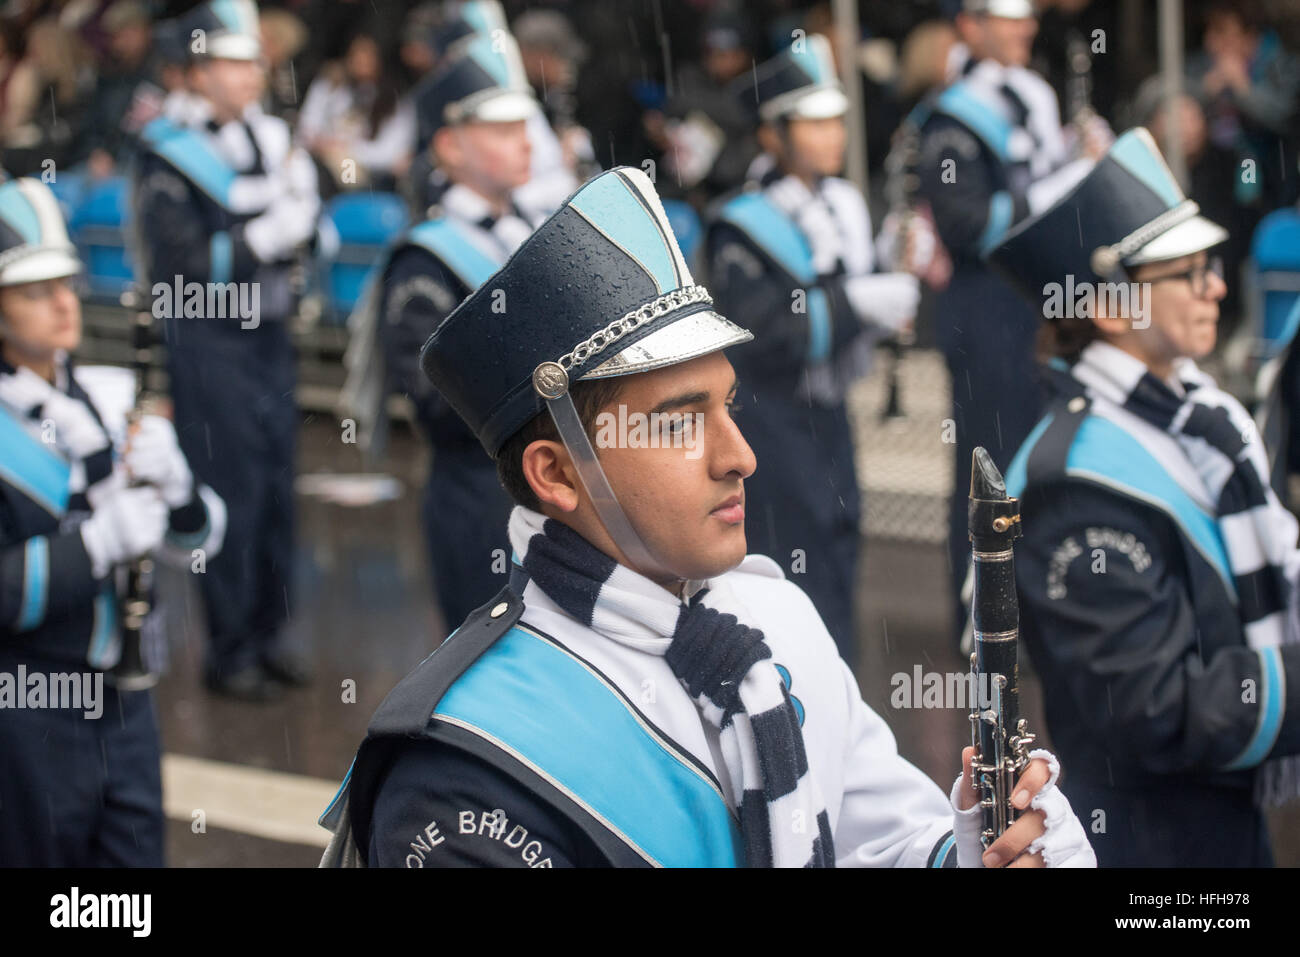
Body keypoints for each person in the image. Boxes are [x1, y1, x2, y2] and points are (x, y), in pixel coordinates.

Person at [319, 165, 1096, 869]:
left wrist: (983, 854)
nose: (741, 456)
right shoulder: (465, 765)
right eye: (678, 421)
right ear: (555, 473)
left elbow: (887, 840)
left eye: (727, 404)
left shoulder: (774, 612)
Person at [989, 128, 1300, 866]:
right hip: (1150, 846)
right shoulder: (1072, 478)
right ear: (1108, 307)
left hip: (1224, 818)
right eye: (1187, 272)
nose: (1217, 286)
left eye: (1212, 266)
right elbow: (1155, 706)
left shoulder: (1201, 419)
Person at [0, 177, 225, 865]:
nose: (65, 303)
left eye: (66, 282)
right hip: (28, 704)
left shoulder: (104, 394)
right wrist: (96, 542)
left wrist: (180, 489)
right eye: (36, 291)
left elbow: (196, 543)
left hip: (125, 699)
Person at [705, 35, 919, 662]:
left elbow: (850, 293)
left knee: (842, 543)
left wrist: (896, 267)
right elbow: (768, 336)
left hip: (832, 414)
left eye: (837, 119)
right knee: (793, 563)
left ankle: (841, 693)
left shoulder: (846, 202)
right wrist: (861, 303)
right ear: (772, 135)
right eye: (814, 120)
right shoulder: (739, 224)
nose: (834, 133)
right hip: (771, 421)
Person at [132, 0, 320, 701]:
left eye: (252, 61)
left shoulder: (272, 139)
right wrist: (264, 236)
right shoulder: (166, 149)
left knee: (276, 484)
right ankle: (230, 647)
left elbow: (300, 234)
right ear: (197, 72)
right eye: (232, 62)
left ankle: (270, 633)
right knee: (230, 485)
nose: (249, 74)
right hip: (209, 334)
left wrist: (307, 230)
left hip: (269, 333)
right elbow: (178, 263)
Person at [339, 28, 545, 632]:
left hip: (555, 487)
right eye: (502, 130)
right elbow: (436, 403)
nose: (524, 143)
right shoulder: (426, 259)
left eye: (523, 128)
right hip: (481, 492)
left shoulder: (534, 230)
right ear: (450, 147)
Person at [914, 0, 1103, 636]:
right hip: (985, 313)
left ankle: (1040, 609)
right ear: (970, 24)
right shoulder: (949, 118)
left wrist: (1082, 158)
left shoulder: (1035, 92)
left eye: (1026, 16)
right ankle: (981, 623)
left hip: (1038, 307)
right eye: (1008, 16)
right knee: (988, 464)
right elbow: (967, 225)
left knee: (1044, 459)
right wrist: (1054, 187)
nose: (1025, 27)